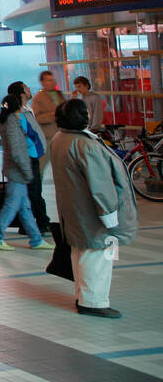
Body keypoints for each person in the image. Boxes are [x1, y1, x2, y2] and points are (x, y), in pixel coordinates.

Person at [50, 98, 138, 318]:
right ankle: (94, 302)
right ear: (82, 117)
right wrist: (110, 217)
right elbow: (101, 185)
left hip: (74, 209)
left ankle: (84, 297)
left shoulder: (60, 138)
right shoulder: (86, 145)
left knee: (80, 253)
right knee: (99, 256)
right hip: (93, 213)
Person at [0, 94, 53, 252]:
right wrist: (27, 171)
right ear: (16, 106)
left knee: (25, 207)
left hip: (15, 170)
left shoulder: (7, 121)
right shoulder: (12, 123)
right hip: (17, 171)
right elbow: (17, 150)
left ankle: (36, 239)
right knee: (11, 205)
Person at [7, 80, 51, 233]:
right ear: (21, 93)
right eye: (26, 88)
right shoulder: (17, 113)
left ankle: (31, 223)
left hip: (32, 156)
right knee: (33, 191)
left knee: (31, 192)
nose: (29, 89)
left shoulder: (26, 109)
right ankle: (40, 223)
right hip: (27, 157)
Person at [31, 70, 65, 177]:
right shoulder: (38, 98)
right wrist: (54, 114)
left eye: (53, 80)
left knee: (63, 168)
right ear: (42, 82)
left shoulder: (59, 95)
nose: (52, 82)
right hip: (47, 137)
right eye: (49, 80)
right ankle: (36, 191)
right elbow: (38, 118)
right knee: (41, 167)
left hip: (61, 136)